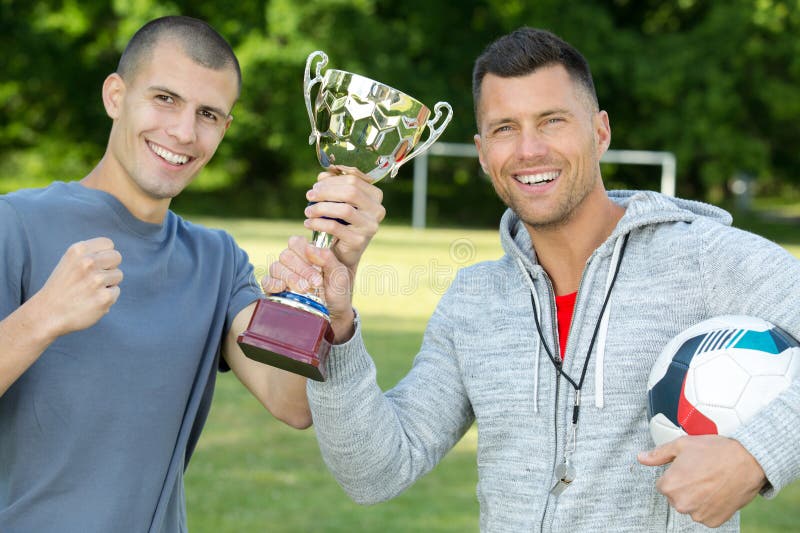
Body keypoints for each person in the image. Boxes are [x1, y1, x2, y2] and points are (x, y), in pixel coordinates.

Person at [264, 27, 800, 532]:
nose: (528, 150)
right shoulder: (473, 304)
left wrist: (754, 455)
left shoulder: (704, 259)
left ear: (600, 131)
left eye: (552, 121)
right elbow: (374, 472)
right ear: (482, 153)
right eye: (505, 129)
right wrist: (337, 330)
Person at [0, 15, 383, 532]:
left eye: (207, 113)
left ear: (224, 129)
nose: (183, 132)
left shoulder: (217, 261)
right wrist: (42, 317)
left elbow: (290, 401)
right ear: (116, 95)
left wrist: (333, 281)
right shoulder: (15, 224)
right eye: (164, 99)